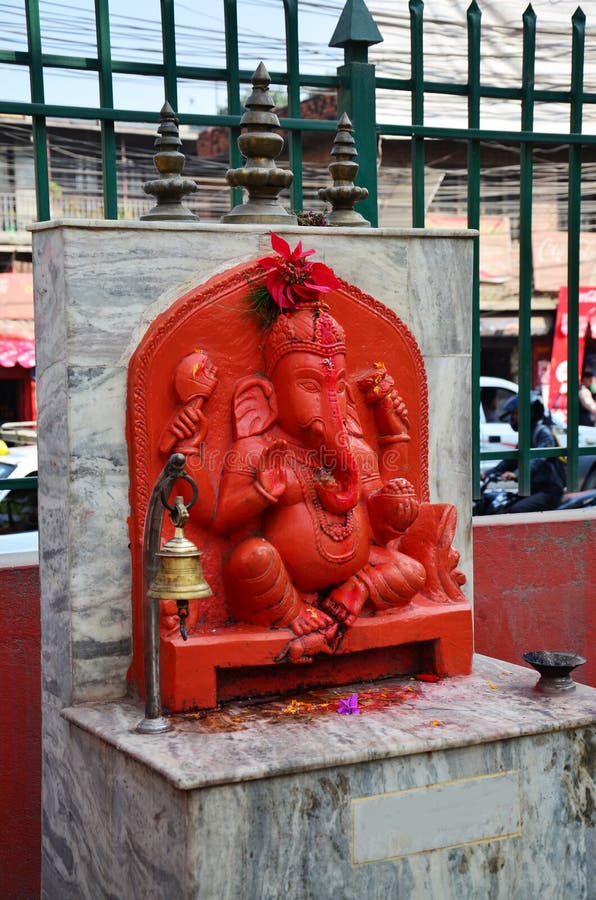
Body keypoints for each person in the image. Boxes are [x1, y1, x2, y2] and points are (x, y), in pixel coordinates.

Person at [486, 392, 566, 513]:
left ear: (530, 414)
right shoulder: (527, 435)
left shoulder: (542, 432)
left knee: (516, 510)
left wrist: (517, 474)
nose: (513, 418)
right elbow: (511, 460)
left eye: (516, 414)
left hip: (548, 490)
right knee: (502, 503)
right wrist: (487, 473)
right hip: (533, 489)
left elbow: (539, 458)